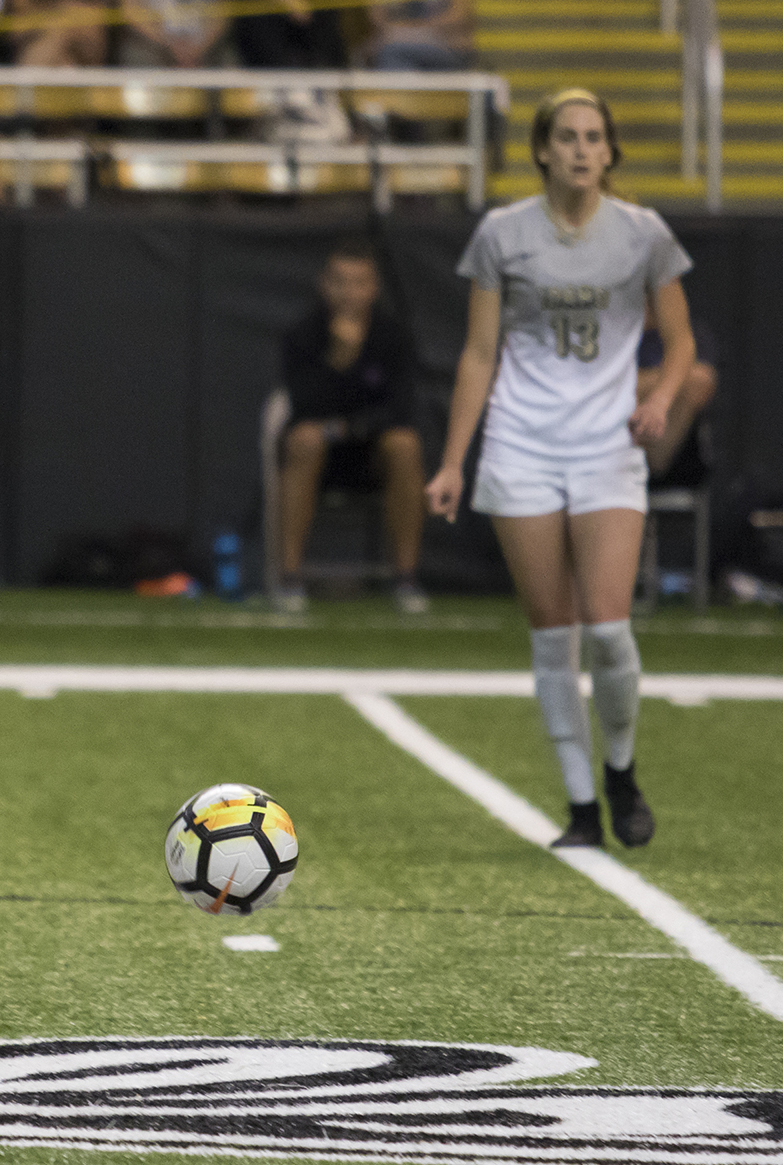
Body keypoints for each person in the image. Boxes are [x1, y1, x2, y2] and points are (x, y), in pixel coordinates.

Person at [426, 89, 695, 850]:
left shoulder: (643, 234)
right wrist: (453, 461)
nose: (582, 149)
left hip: (607, 443)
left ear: (610, 152)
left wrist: (662, 401)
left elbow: (679, 345)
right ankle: (580, 808)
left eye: (595, 137)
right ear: (543, 150)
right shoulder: (502, 234)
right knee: (554, 631)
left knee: (609, 628)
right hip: (522, 442)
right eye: (568, 137)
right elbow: (479, 355)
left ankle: (620, 769)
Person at [274, 237, 427, 615]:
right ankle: (290, 578)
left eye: (359, 283)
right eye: (340, 282)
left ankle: (405, 578)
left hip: (373, 453)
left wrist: (353, 429)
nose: (349, 292)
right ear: (324, 285)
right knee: (304, 440)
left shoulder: (394, 337)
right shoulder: (302, 335)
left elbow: (401, 407)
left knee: (405, 445)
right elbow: (303, 405)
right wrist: (340, 359)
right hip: (318, 456)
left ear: (374, 288)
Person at [633, 294, 717, 479]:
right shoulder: (614, 335)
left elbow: (702, 381)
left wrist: (658, 400)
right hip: (615, 432)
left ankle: (653, 465)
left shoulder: (691, 334)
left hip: (670, 445)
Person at [105, 0, 230, 67]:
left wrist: (198, 48)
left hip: (209, 50)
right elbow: (130, 10)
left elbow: (225, 6)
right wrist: (170, 45)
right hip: (149, 50)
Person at [361, 0, 472, 72]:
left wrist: (412, 31)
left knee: (392, 55)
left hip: (445, 45)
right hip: (396, 43)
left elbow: (459, 14)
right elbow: (376, 17)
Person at [9, 0, 107, 66]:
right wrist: (62, 6)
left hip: (85, 28)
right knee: (58, 36)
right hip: (37, 26)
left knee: (62, 35)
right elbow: (21, 7)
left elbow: (101, 7)